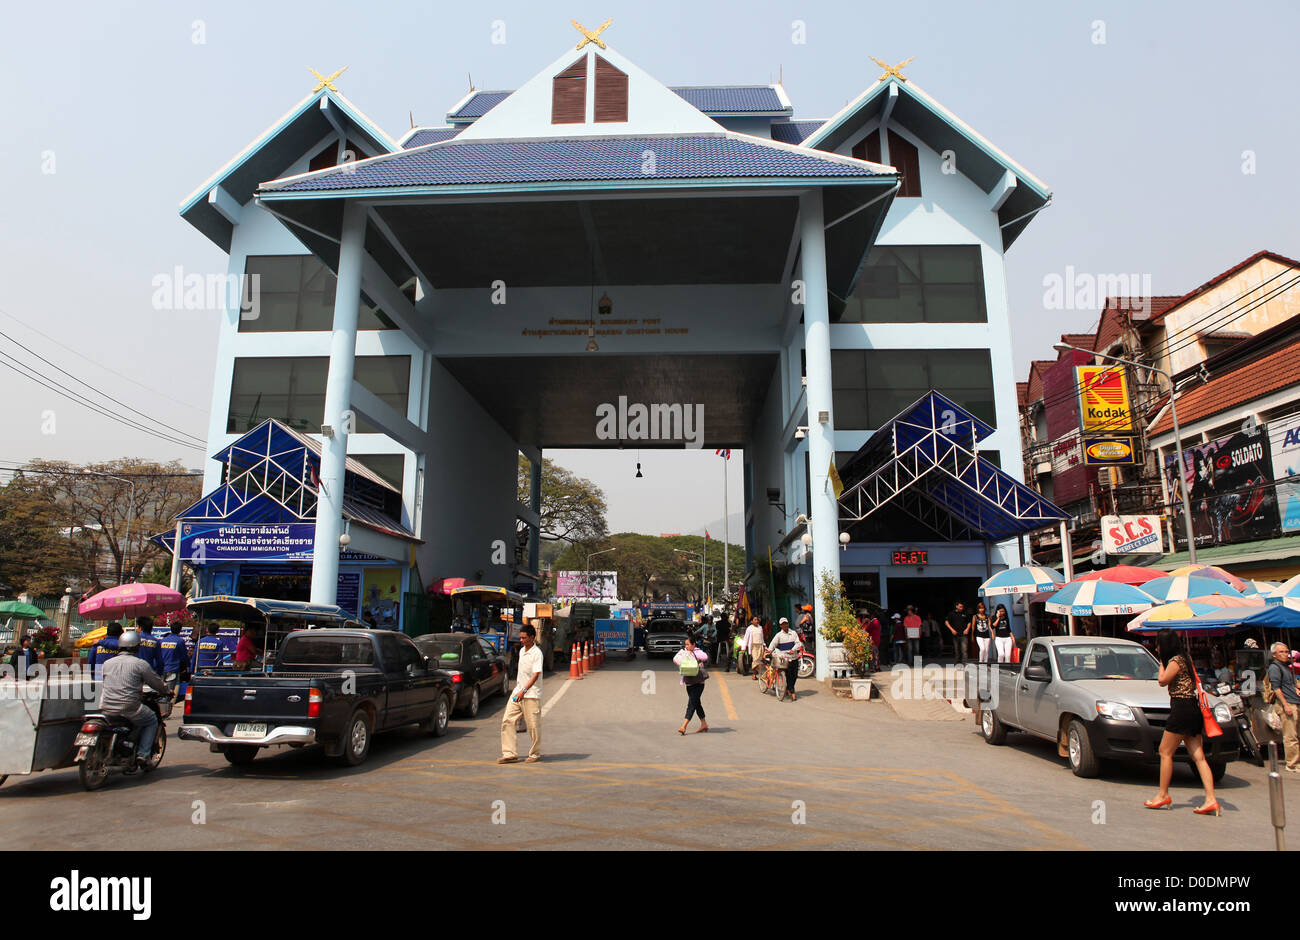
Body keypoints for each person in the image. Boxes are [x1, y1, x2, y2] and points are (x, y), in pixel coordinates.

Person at [1146, 629, 1219, 814]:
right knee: (1198, 756)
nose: (1157, 647)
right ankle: (1211, 799)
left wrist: (1161, 660)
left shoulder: (1175, 661)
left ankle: (1162, 795)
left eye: (1158, 644)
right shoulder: (1185, 658)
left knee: (1165, 752)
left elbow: (1162, 680)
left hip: (1181, 709)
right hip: (1192, 708)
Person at [99, 630, 168, 768]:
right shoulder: (140, 664)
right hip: (129, 707)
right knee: (151, 720)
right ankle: (143, 754)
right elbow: (156, 682)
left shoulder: (107, 663)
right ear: (136, 647)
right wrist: (166, 690)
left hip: (105, 706)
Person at [499, 624, 542, 763]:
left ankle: (534, 754)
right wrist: (520, 691)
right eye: (521, 637)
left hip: (531, 694)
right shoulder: (522, 651)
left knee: (533, 726)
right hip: (518, 692)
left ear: (532, 638)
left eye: (524, 638)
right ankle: (509, 753)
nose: (522, 640)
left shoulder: (537, 653)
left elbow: (536, 675)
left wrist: (524, 691)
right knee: (507, 720)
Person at [1266, 641, 1300, 773]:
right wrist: (1286, 705)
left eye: (1286, 651)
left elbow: (1292, 684)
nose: (1285, 654)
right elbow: (1276, 688)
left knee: (1297, 735)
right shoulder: (1275, 668)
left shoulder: (1287, 667)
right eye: (1281, 652)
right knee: (1290, 736)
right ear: (1274, 655)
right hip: (1288, 704)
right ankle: (1292, 764)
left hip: (1295, 702)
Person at [673, 635, 710, 733]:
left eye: (688, 644)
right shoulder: (683, 652)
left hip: (699, 682)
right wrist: (686, 656)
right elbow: (676, 660)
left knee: (692, 704)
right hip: (689, 682)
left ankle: (683, 726)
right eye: (685, 644)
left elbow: (705, 657)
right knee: (697, 703)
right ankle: (704, 724)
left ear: (694, 645)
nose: (686, 646)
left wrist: (692, 654)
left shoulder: (698, 652)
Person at [767, 617, 804, 702]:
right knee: (788, 675)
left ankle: (789, 688)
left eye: (786, 623)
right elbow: (773, 644)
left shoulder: (793, 633)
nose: (785, 625)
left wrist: (793, 649)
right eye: (783, 624)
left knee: (794, 675)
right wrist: (769, 651)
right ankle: (792, 691)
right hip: (784, 659)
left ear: (788, 624)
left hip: (794, 657)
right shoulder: (779, 635)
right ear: (780, 626)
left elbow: (798, 643)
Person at [158, 622, 190, 697]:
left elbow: (158, 656)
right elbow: (184, 657)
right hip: (173, 670)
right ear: (180, 630)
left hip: (162, 670)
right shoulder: (180, 641)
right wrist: (188, 668)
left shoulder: (162, 641)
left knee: (161, 691)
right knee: (170, 693)